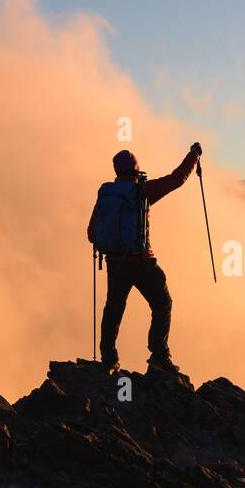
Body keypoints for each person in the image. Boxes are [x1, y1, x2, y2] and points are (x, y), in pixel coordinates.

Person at [88, 143, 202, 374]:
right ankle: (159, 356)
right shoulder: (143, 191)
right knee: (162, 303)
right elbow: (177, 179)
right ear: (136, 169)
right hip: (141, 261)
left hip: (115, 262)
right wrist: (194, 155)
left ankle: (109, 359)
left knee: (114, 308)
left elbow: (91, 233)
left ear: (116, 170)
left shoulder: (106, 194)